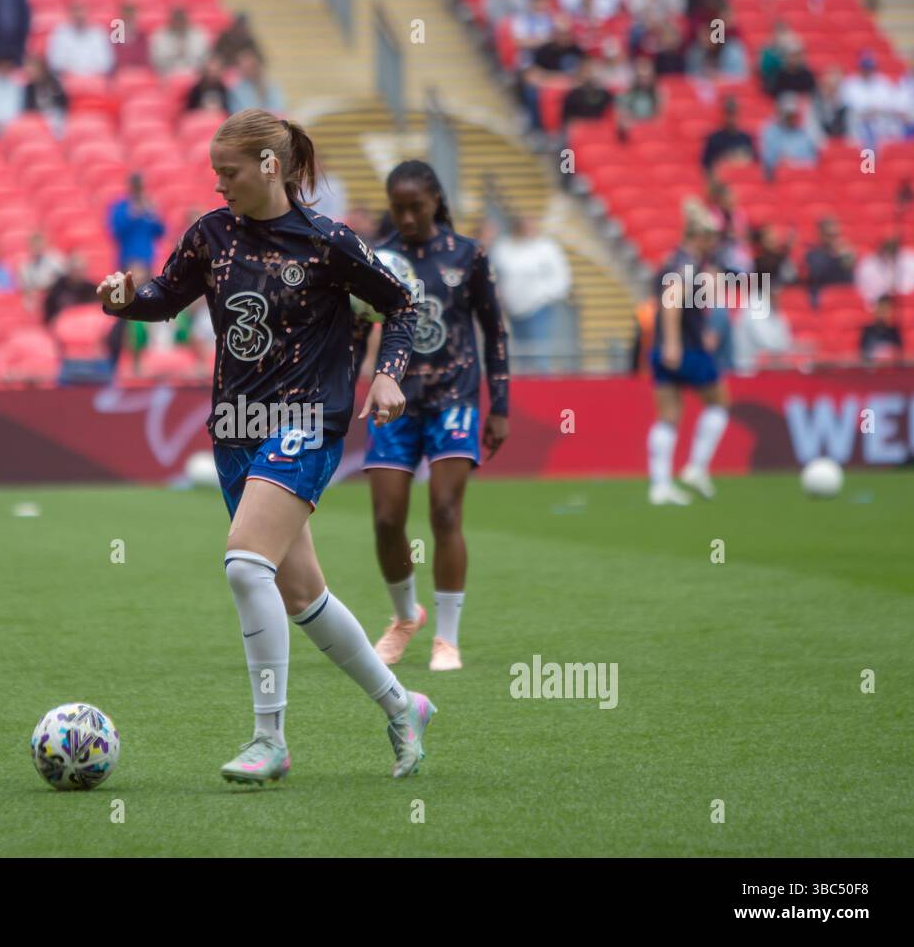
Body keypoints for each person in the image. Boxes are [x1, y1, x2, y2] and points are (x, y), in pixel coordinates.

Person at [95, 108, 434, 784]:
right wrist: (126, 301)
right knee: (301, 595)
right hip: (235, 431)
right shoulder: (210, 235)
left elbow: (402, 305)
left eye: (231, 172)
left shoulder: (328, 242)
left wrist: (390, 375)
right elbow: (167, 297)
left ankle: (268, 739)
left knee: (246, 566)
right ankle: (403, 705)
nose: (219, 185)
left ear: (271, 167)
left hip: (307, 421)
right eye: (215, 173)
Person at [361, 161, 510, 673]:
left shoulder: (468, 256)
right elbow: (361, 329)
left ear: (435, 202)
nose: (405, 216)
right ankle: (406, 618)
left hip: (455, 398)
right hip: (394, 399)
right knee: (385, 519)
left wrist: (501, 407)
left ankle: (446, 638)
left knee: (445, 511)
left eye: (415, 207)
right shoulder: (378, 259)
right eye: (397, 206)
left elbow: (495, 331)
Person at [646, 211, 730, 505]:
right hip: (685, 349)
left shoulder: (677, 262)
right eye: (711, 237)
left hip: (665, 347)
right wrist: (673, 343)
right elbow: (671, 303)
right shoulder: (686, 265)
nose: (714, 243)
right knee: (719, 402)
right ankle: (696, 466)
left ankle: (660, 485)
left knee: (668, 415)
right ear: (699, 236)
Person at [489, 214, 573, 372]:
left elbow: (561, 277)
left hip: (538, 307)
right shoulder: (504, 247)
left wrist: (545, 295)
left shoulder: (546, 247)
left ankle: (541, 388)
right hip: (510, 309)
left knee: (537, 353)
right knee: (520, 354)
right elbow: (495, 274)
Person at [108, 173, 165, 273]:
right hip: (127, 260)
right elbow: (116, 232)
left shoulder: (148, 206)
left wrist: (154, 214)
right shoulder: (121, 207)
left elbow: (160, 232)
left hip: (147, 261)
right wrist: (132, 214)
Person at [46, 2, 112, 77]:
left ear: (88, 14)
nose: (79, 16)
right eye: (76, 13)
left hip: (94, 80)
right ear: (70, 14)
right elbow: (55, 62)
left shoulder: (99, 33)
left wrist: (86, 76)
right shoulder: (60, 33)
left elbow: (106, 63)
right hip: (67, 79)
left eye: (82, 13)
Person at [149, 6, 209, 76]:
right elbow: (157, 60)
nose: (179, 22)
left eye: (181, 19)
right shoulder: (159, 35)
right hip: (167, 75)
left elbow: (204, 58)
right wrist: (175, 52)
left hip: (194, 74)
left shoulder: (198, 34)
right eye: (176, 19)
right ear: (171, 20)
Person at [701, 97, 756, 172]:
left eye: (734, 114)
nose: (731, 118)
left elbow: (754, 164)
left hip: (742, 178)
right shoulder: (714, 139)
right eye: (728, 114)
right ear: (723, 115)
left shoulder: (746, 139)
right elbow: (706, 166)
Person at [860, 295, 902, 363]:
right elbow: (863, 356)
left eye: (887, 309)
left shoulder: (895, 332)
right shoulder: (867, 332)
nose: (883, 313)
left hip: (890, 371)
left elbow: (898, 357)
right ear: (876, 310)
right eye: (881, 308)